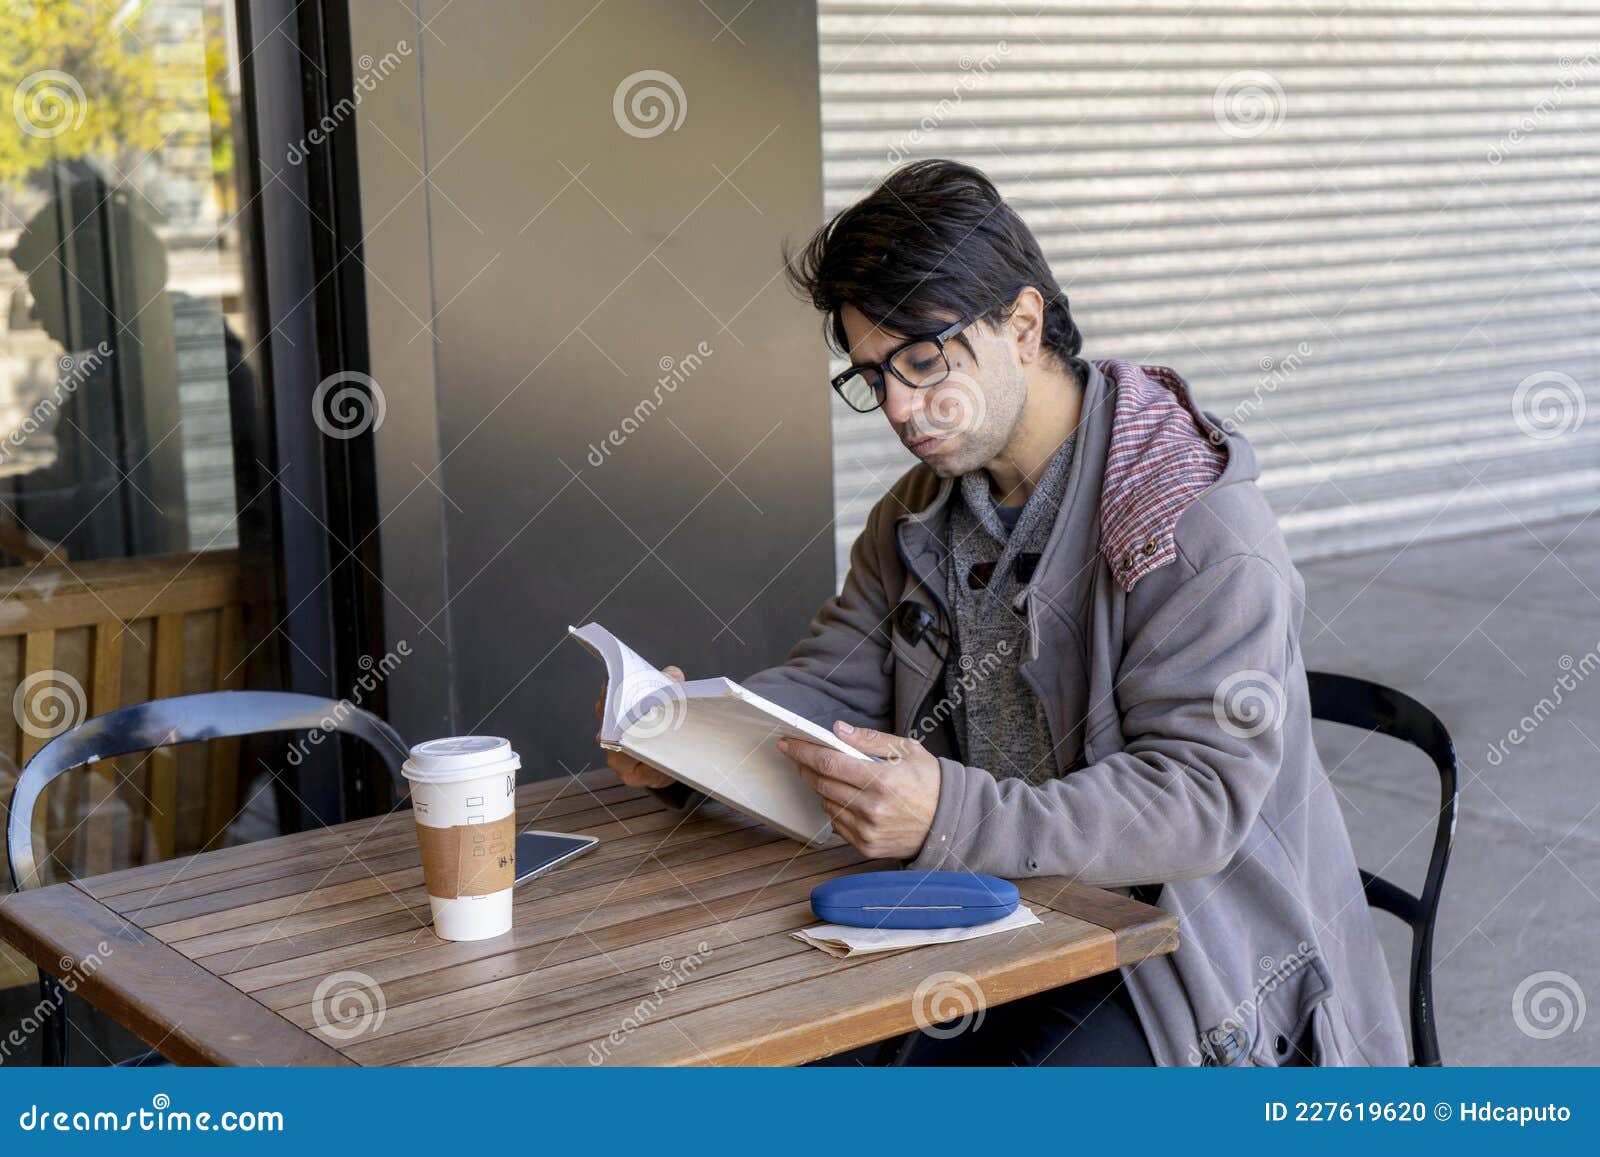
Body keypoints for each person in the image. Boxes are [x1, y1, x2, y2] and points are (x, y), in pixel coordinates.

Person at [595, 159, 1407, 1067]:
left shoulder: (1191, 521)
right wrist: (693, 732)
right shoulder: (918, 513)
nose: (899, 405)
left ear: (1022, 325)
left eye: (921, 359)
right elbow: (834, 677)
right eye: (872, 374)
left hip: (1175, 955)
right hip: (985, 911)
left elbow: (1198, 800)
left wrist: (950, 813)